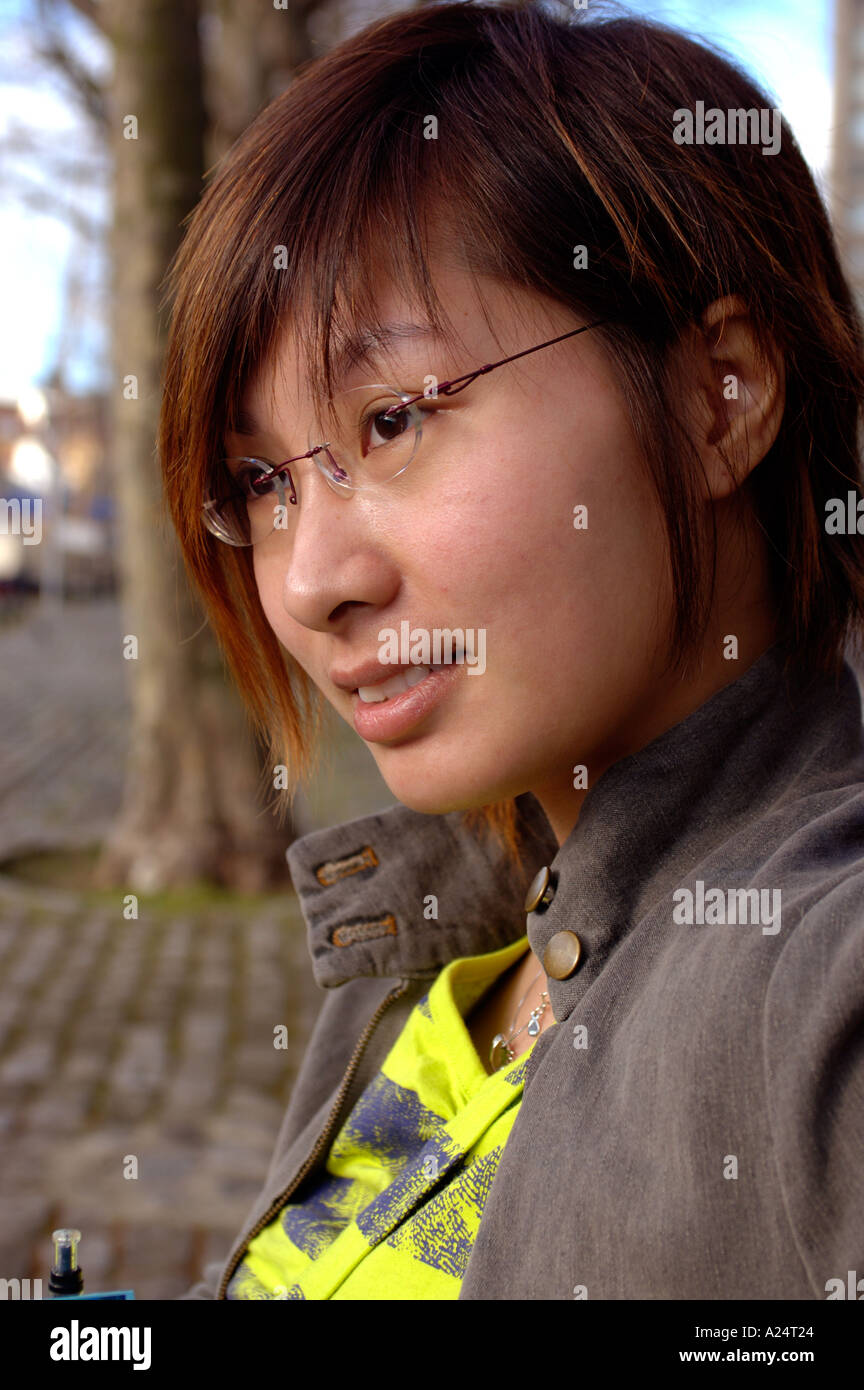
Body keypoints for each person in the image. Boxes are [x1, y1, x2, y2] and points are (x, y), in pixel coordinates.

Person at [159, 1, 864, 1299]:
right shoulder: (452, 934)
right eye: (262, 481)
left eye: (393, 419)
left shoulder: (811, 984)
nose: (311, 580)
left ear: (723, 395)